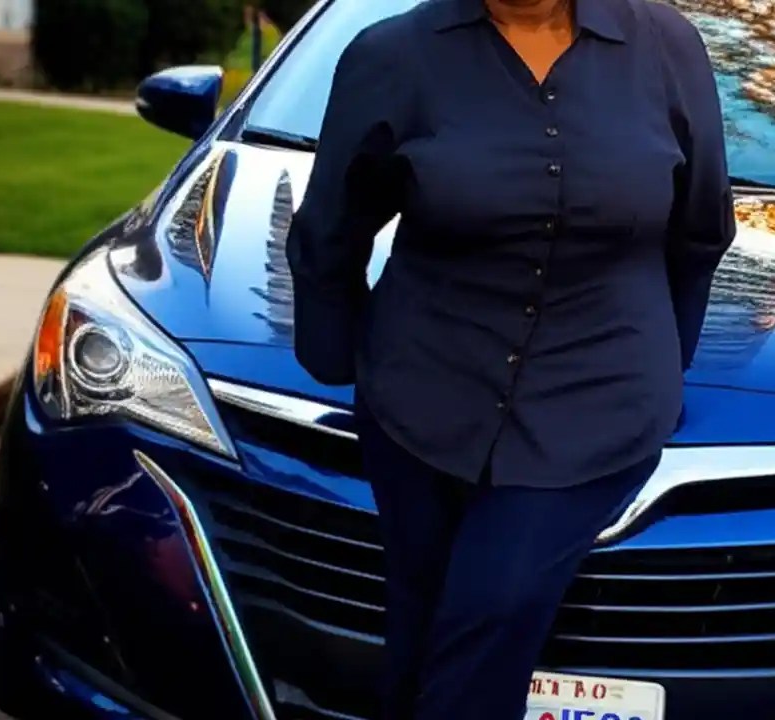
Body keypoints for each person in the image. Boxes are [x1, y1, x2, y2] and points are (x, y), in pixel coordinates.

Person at [284, 0, 735, 716]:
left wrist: (662, 365)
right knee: (419, 627)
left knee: (489, 613)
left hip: (599, 403)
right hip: (419, 402)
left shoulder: (667, 48)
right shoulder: (393, 55)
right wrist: (339, 362)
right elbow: (329, 231)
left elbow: (702, 226)